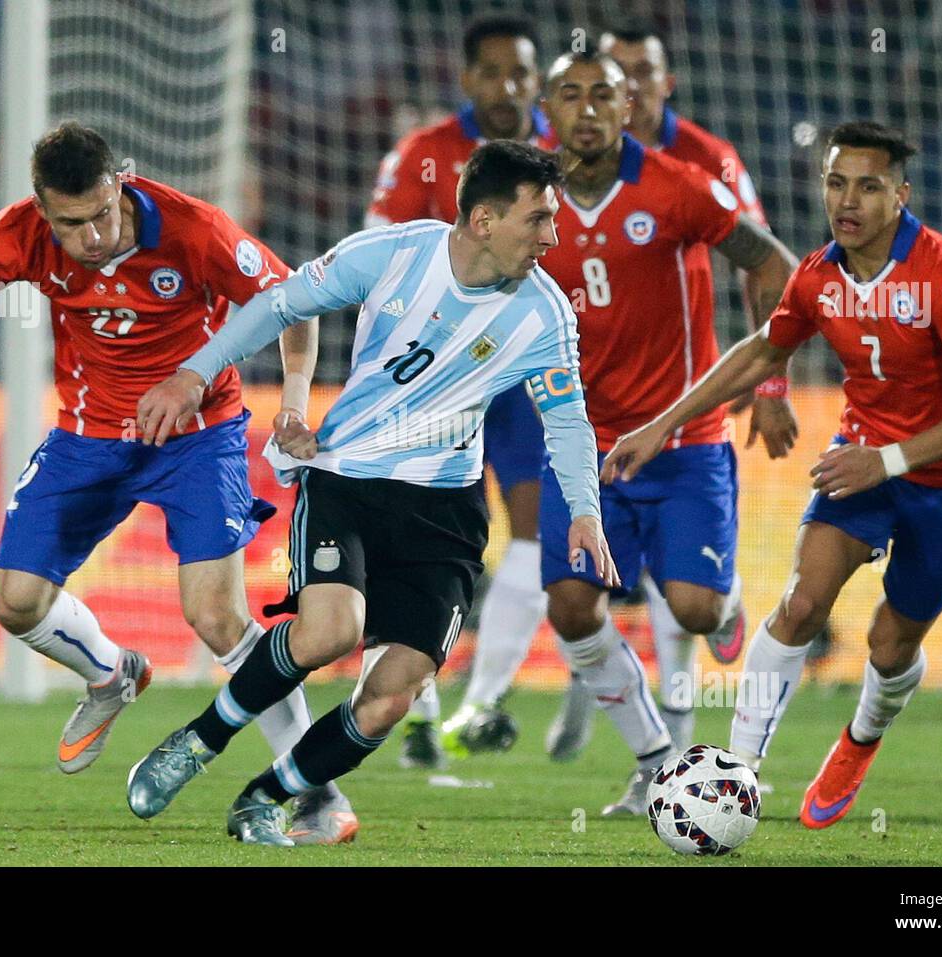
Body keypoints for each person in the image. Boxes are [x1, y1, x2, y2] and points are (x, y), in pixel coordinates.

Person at [0, 121, 359, 844]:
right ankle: (113, 671)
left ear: (119, 184)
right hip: (88, 438)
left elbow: (290, 302)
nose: (89, 237)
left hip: (197, 436)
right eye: (69, 223)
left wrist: (296, 404)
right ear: (41, 209)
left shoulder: (194, 229)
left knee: (215, 615)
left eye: (99, 215)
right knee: (15, 600)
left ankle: (314, 788)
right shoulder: (20, 234)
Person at [124, 140, 618, 846]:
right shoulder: (391, 255)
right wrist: (194, 374)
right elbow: (279, 304)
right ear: (483, 219)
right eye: (539, 219)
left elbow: (567, 421)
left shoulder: (544, 316)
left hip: (445, 509)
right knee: (330, 631)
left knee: (391, 696)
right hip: (346, 478)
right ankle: (197, 741)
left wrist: (586, 513)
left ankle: (267, 796)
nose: (552, 235)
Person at [602, 121, 942, 829]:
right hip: (862, 461)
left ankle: (859, 739)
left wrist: (887, 459)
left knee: (890, 642)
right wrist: (659, 425)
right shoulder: (819, 274)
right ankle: (734, 777)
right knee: (800, 602)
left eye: (868, 185)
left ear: (900, 195)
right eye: (835, 182)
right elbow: (763, 351)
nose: (847, 200)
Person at [536, 51, 799, 816]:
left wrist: (771, 378)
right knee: (572, 607)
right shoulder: (530, 195)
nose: (588, 110)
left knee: (692, 609)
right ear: (549, 107)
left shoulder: (677, 184)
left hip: (683, 440)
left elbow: (775, 266)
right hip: (583, 444)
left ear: (629, 109)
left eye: (604, 97)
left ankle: (727, 602)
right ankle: (657, 760)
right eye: (572, 95)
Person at [365, 13, 558, 765]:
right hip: (436, 379)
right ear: (466, 78)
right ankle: (418, 710)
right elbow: (378, 256)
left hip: (522, 375)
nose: (509, 86)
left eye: (522, 72)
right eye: (494, 73)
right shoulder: (422, 155)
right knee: (412, 533)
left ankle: (483, 701)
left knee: (537, 533)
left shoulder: (563, 153)